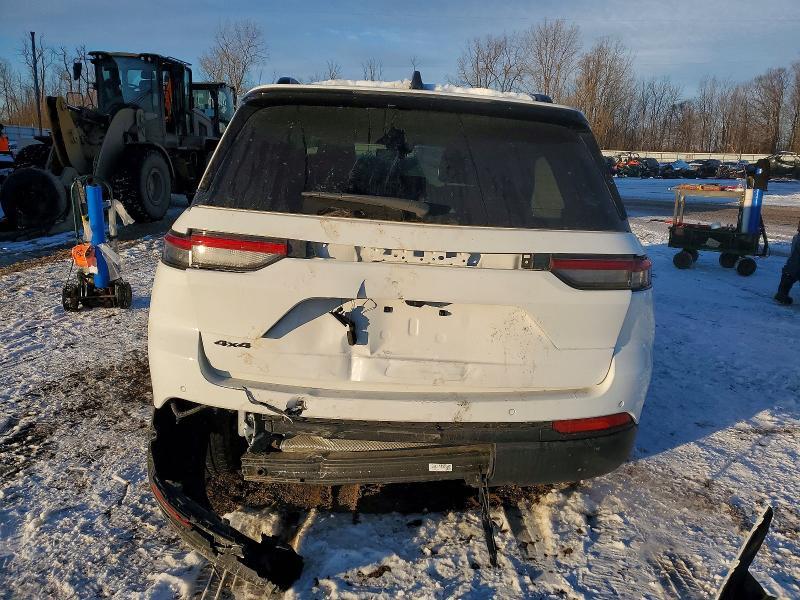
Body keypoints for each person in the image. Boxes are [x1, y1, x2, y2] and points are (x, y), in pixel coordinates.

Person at [775, 218, 800, 305]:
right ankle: (781, 295)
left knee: (788, 275)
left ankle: (781, 294)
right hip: (795, 265)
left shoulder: (797, 237)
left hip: (793, 264)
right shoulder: (798, 238)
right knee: (789, 275)